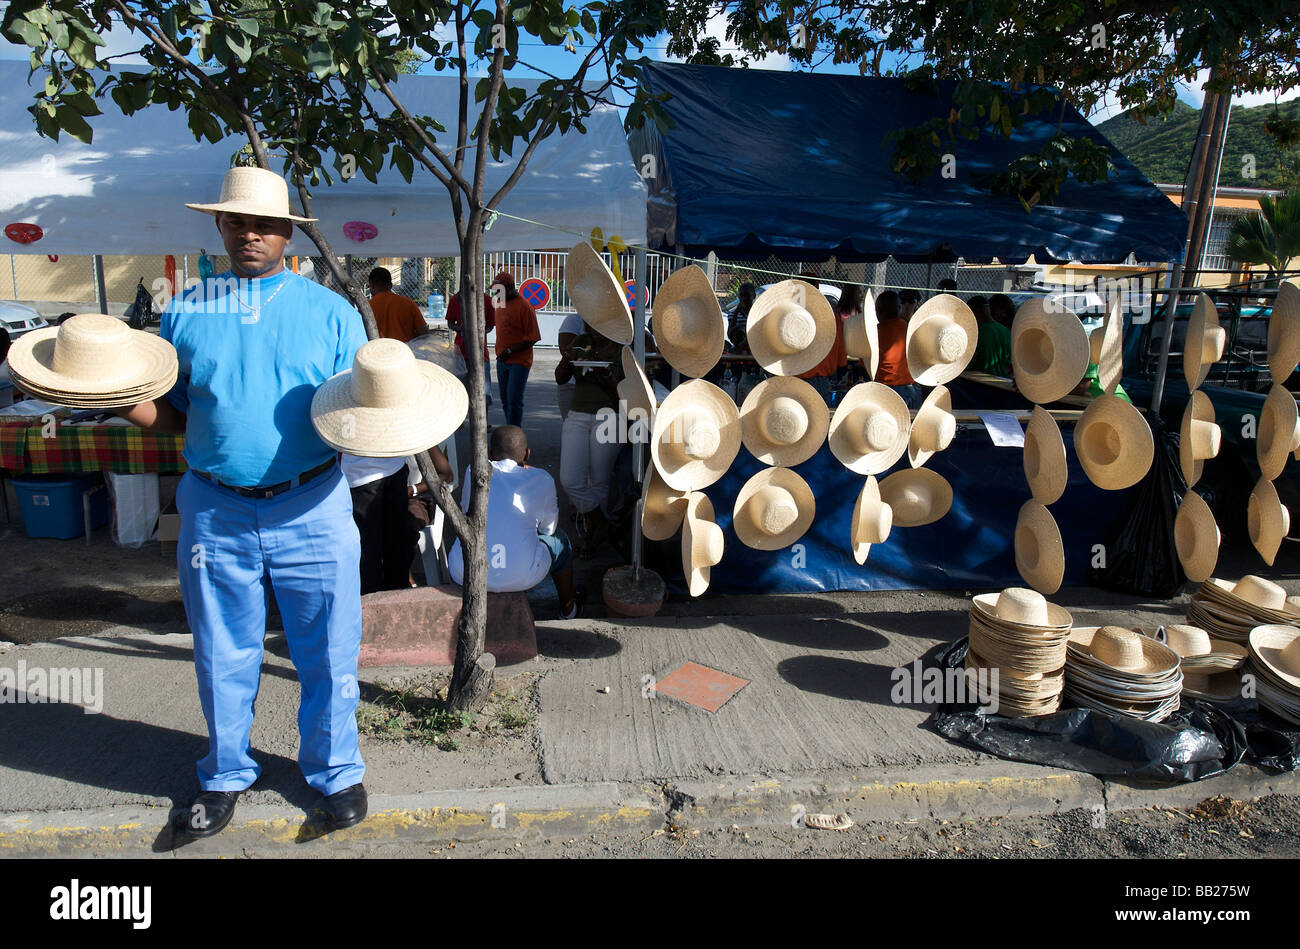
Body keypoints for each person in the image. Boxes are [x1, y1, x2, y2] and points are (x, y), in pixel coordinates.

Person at [117, 166, 370, 839]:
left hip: (312, 505)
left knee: (327, 648)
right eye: (237, 221)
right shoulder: (188, 309)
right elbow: (173, 416)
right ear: (220, 226)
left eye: (264, 223)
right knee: (221, 649)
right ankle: (226, 772)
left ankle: (336, 770)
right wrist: (112, 398)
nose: (250, 234)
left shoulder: (332, 313)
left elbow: (363, 420)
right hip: (215, 508)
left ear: (289, 232)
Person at [448, 425, 581, 618]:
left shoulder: (472, 472)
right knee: (561, 542)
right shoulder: (542, 478)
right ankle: (569, 610)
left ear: (490, 454)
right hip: (522, 576)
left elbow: (466, 509)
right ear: (527, 454)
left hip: (466, 572)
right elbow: (549, 529)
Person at [343, 445, 452, 594]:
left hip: (392, 486)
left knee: (390, 553)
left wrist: (412, 490)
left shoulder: (412, 434)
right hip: (366, 483)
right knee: (371, 559)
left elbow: (445, 473)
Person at [556, 323, 623, 557]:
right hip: (577, 414)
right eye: (589, 324)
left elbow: (628, 394)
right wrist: (568, 359)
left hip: (610, 417)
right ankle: (601, 523)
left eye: (597, 324)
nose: (592, 329)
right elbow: (560, 378)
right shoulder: (580, 342)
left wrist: (606, 376)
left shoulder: (624, 348)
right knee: (569, 479)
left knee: (599, 481)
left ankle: (591, 533)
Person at [491, 271, 540, 426]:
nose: (496, 293)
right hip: (502, 360)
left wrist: (510, 351)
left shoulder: (524, 306)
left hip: (519, 361)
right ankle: (510, 429)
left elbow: (532, 338)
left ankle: (514, 434)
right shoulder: (500, 303)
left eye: (499, 289)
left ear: (510, 288)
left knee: (514, 400)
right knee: (505, 400)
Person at [798, 284, 853, 404]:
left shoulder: (794, 317)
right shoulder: (832, 316)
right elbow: (840, 351)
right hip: (822, 378)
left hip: (797, 378)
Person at [445, 287, 495, 410]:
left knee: (484, 391)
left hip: (481, 353)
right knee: (458, 389)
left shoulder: (487, 299)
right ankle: (459, 419)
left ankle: (484, 422)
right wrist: (462, 329)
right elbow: (450, 323)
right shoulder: (456, 299)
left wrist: (479, 331)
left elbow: (490, 325)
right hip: (460, 352)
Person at [872, 290, 922, 408]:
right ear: (899, 308)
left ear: (878, 311)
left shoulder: (874, 333)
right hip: (911, 388)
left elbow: (866, 365)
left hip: (884, 390)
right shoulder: (911, 330)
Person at [366, 267, 427, 343]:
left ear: (371, 285)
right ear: (391, 285)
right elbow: (424, 333)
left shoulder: (367, 307)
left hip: (378, 351)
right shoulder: (409, 303)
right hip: (405, 351)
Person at [970, 294, 1013, 377]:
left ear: (977, 312)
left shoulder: (977, 333)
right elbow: (1012, 360)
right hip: (1004, 383)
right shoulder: (1005, 331)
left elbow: (969, 363)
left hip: (978, 384)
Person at [556, 310, 584, 420]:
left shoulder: (617, 321)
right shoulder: (575, 320)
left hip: (606, 392)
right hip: (573, 387)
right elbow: (560, 378)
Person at [728, 282, 756, 354]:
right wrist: (736, 312)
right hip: (738, 348)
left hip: (754, 348)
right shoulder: (733, 314)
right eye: (741, 295)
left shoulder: (757, 313)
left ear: (754, 296)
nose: (744, 299)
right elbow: (730, 334)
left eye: (747, 295)